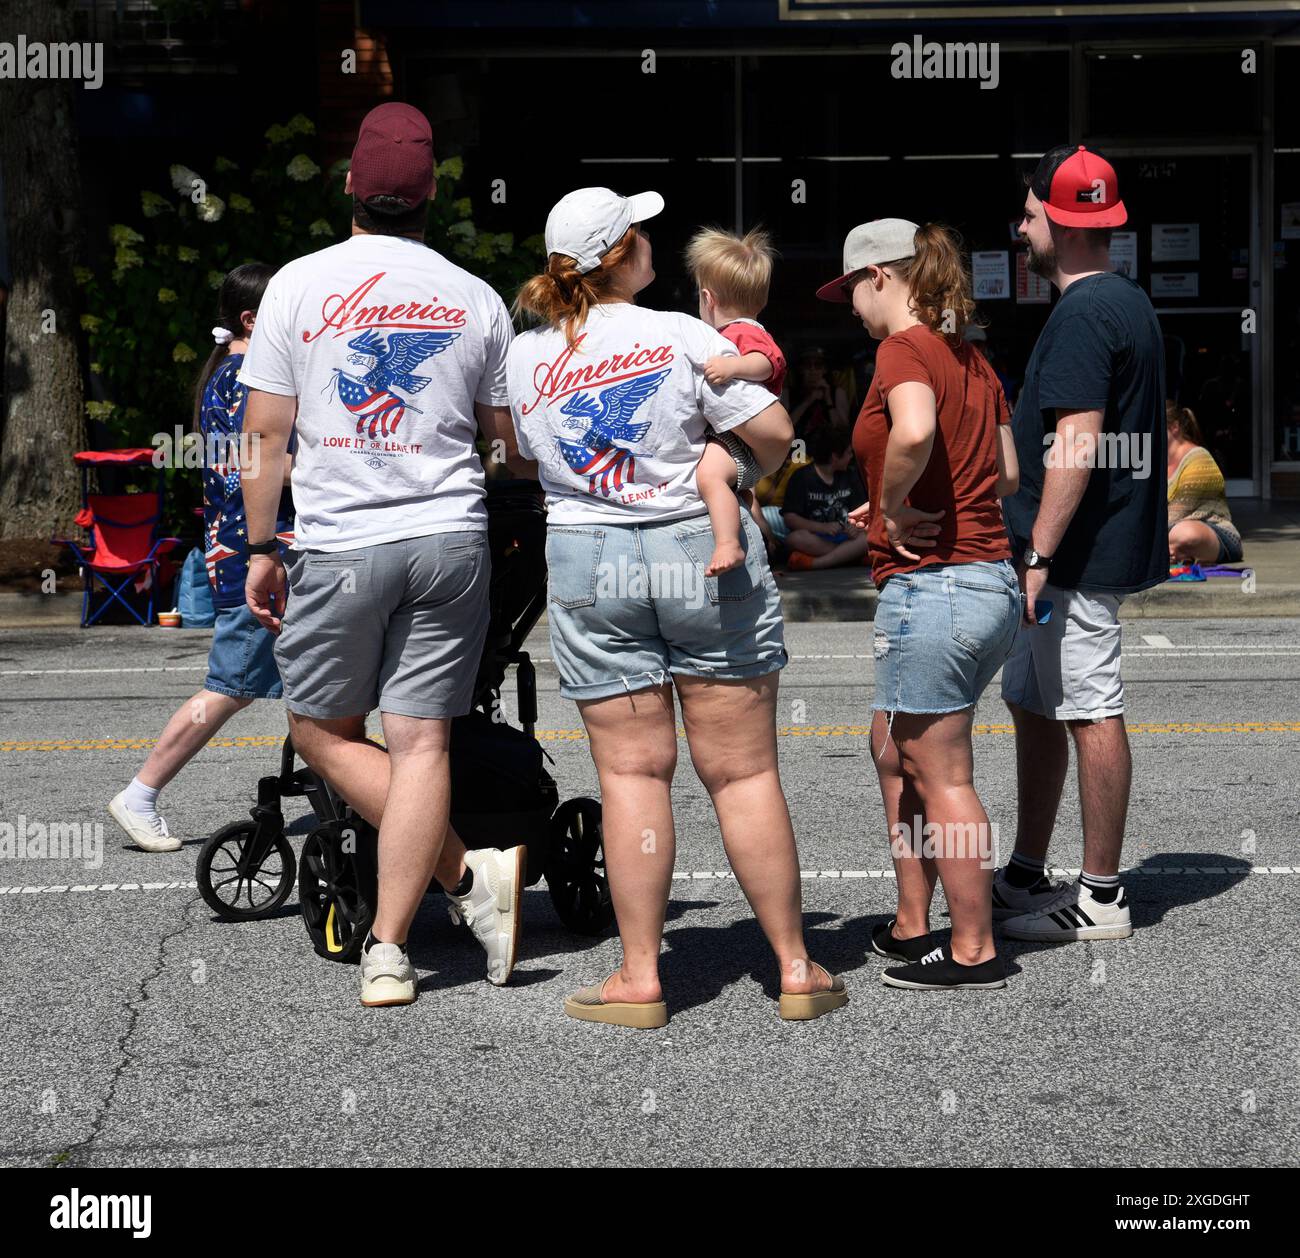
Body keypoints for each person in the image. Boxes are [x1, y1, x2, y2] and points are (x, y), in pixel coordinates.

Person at [509, 186, 846, 1028]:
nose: (654, 241)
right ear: (621, 254)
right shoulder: (682, 334)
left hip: (589, 556)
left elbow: (519, 456)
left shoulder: (522, 356)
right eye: (642, 232)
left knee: (629, 773)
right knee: (743, 773)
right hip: (699, 547)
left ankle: (638, 976)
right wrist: (712, 456)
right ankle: (798, 967)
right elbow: (772, 437)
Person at [238, 102, 532, 1007]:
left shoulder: (295, 285)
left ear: (350, 186)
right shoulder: (476, 296)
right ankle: (400, 944)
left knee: (320, 732)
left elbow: (266, 430)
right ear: (432, 191)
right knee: (421, 740)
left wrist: (259, 544)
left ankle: (459, 890)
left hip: (342, 542)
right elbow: (501, 443)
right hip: (450, 538)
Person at [818, 219, 1021, 991]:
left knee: (941, 773)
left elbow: (914, 429)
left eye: (851, 292)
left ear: (880, 277)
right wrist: (907, 498)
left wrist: (893, 503)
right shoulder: (973, 358)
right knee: (889, 744)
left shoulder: (902, 347)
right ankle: (913, 924)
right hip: (988, 580)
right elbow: (1004, 473)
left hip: (938, 585)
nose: (850, 309)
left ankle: (972, 949)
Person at [997, 144, 1168, 943]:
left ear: (1061, 224)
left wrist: (1037, 554)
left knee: (1091, 711)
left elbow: (1076, 442)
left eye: (1029, 215)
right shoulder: (1125, 302)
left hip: (1070, 559)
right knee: (1034, 703)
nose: (1020, 228)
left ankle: (1101, 898)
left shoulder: (1083, 313)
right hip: (1072, 554)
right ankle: (1028, 871)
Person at [108, 264, 290, 852]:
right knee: (230, 686)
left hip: (245, 550)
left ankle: (339, 793)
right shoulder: (244, 376)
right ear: (251, 320)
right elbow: (255, 463)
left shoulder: (227, 373)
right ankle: (140, 793)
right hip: (256, 555)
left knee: (313, 679)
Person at [685, 226, 787, 576]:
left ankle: (728, 543)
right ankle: (740, 516)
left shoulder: (742, 332)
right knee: (722, 483)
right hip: (736, 436)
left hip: (737, 440)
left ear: (708, 299)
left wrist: (733, 366)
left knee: (709, 476)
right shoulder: (737, 330)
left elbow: (769, 361)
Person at [781, 423, 869, 570]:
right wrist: (822, 527)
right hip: (818, 538)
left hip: (847, 537)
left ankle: (815, 563)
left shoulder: (851, 475)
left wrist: (854, 527)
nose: (851, 456)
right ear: (835, 456)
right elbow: (790, 518)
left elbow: (861, 511)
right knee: (794, 539)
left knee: (869, 535)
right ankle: (851, 556)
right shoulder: (802, 477)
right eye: (848, 453)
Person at [1166, 401, 1243, 565]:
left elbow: (1174, 516)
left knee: (1183, 533)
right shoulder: (1153, 463)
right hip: (1166, 534)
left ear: (1174, 427)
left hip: (1215, 533)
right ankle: (1173, 554)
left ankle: (1168, 553)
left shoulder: (1199, 460)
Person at [789, 346, 849, 439]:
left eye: (818, 365)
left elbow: (842, 429)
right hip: (798, 448)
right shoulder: (788, 393)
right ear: (801, 369)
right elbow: (785, 427)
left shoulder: (837, 393)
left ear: (824, 370)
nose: (812, 370)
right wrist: (809, 401)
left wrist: (829, 400)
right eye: (807, 365)